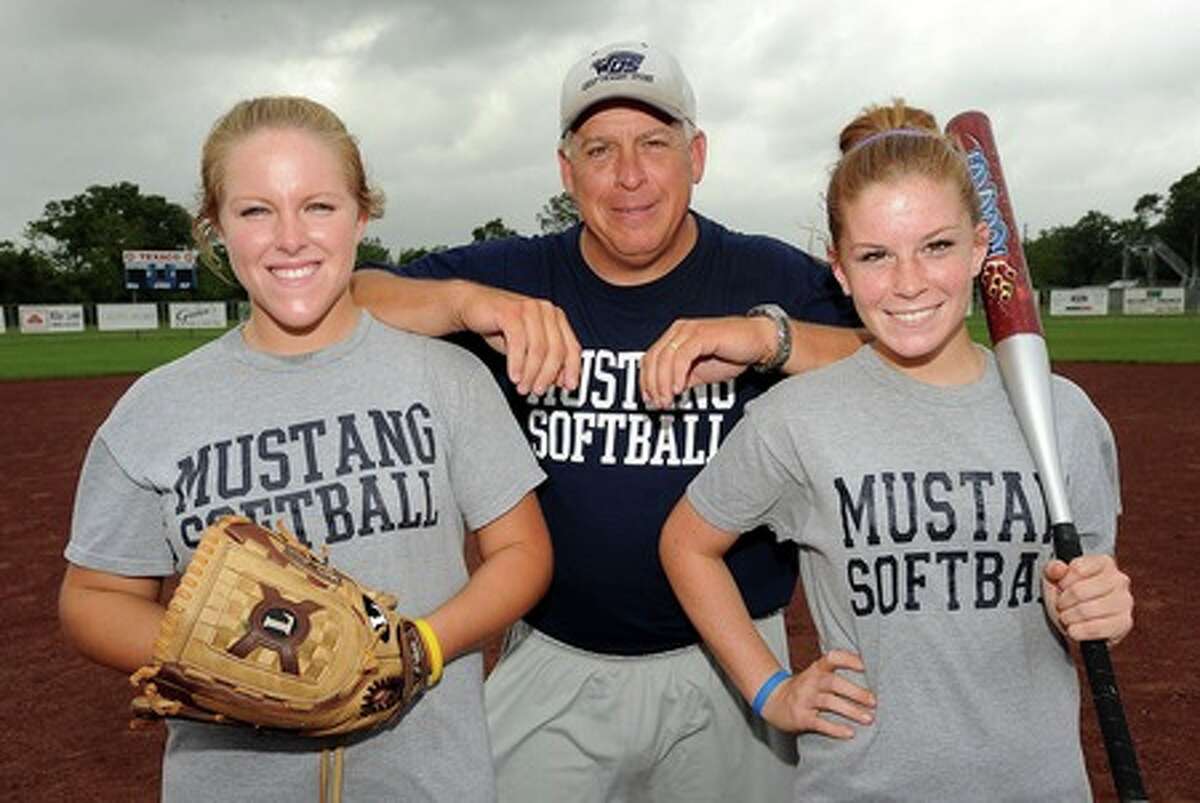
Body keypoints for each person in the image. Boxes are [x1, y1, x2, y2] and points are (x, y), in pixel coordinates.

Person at [352, 41, 865, 802]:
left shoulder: (767, 273)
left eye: (654, 144)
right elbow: (356, 293)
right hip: (556, 660)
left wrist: (770, 338)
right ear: (567, 172)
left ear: (696, 155)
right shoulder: (519, 273)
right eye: (600, 150)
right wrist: (466, 302)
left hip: (735, 665)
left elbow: (892, 354)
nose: (629, 176)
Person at [58, 95, 552, 803]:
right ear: (216, 225)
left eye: (318, 206)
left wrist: (418, 648)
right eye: (255, 211)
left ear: (362, 216)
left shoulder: (446, 378)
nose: (290, 238)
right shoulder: (155, 409)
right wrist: (235, 658)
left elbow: (523, 552)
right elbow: (92, 598)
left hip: (427, 781)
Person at [659, 99, 1135, 801]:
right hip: (861, 784)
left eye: (936, 246)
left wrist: (1103, 609)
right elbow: (685, 543)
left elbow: (1086, 592)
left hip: (1036, 784)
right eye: (875, 256)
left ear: (980, 247)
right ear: (840, 269)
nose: (908, 281)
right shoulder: (795, 418)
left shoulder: (1065, 416)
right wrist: (771, 691)